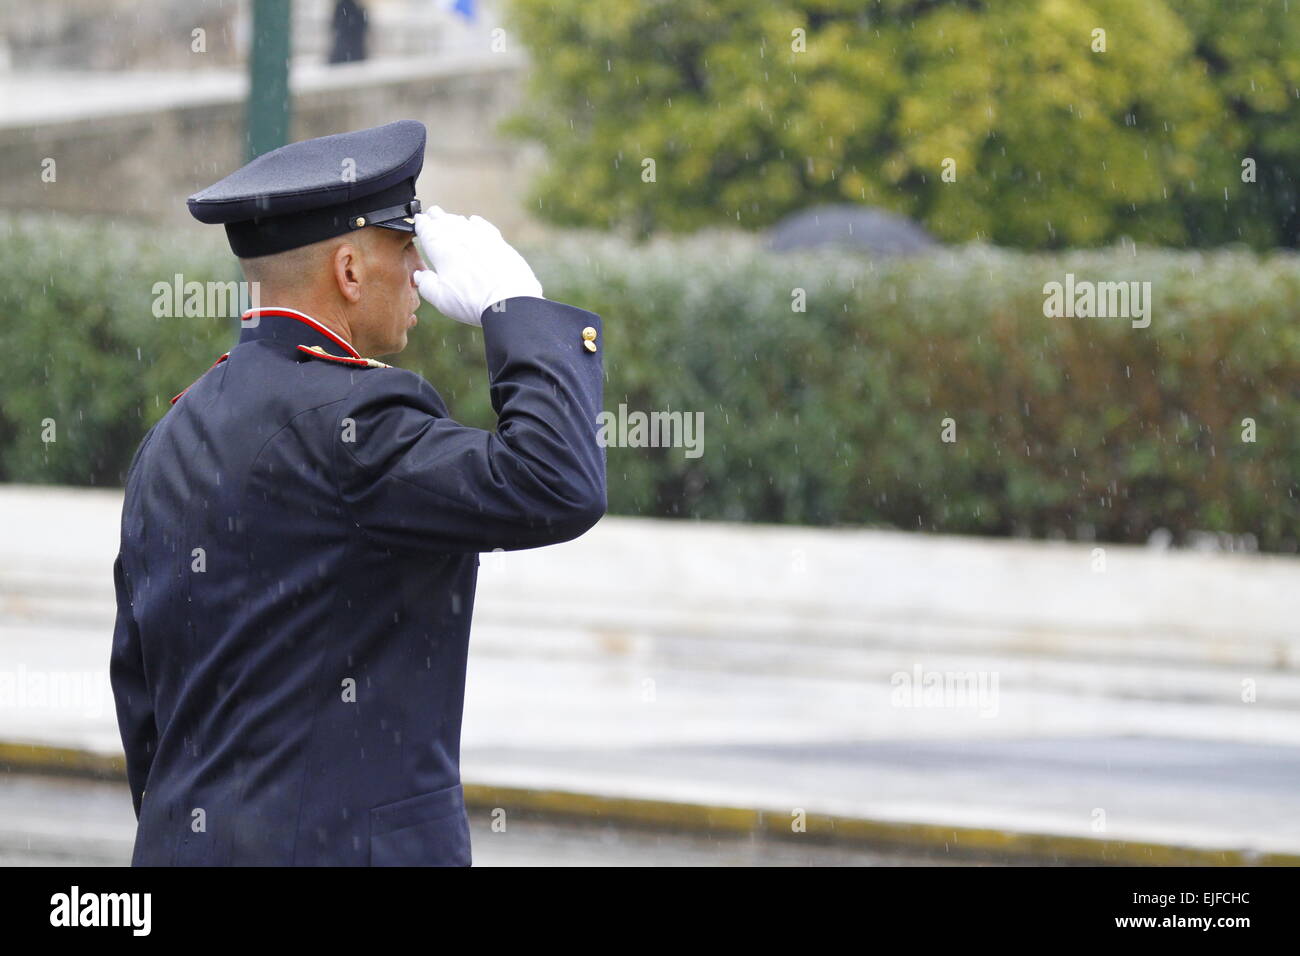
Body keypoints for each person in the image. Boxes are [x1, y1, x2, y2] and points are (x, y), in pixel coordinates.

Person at [109, 119, 606, 865]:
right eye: (406, 249)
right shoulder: (357, 423)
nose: (418, 274)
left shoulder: (172, 435)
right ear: (348, 271)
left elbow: (141, 697)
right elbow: (556, 480)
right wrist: (519, 310)